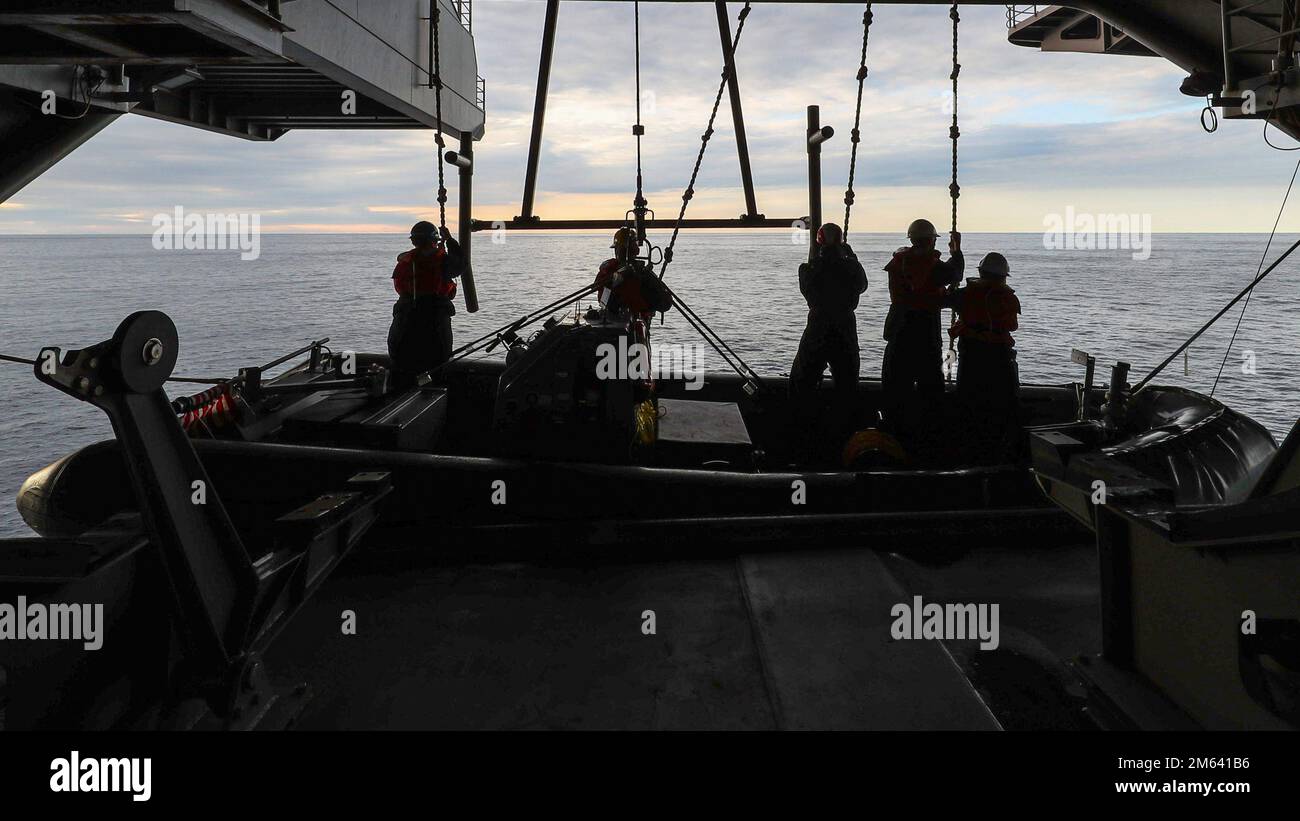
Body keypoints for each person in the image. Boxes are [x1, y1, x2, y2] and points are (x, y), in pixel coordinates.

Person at [881, 218, 963, 424]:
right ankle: (927, 434)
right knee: (930, 389)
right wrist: (956, 251)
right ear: (931, 241)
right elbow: (955, 273)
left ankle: (894, 430)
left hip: (898, 330)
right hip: (926, 334)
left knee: (896, 387)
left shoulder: (898, 263)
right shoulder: (933, 267)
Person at [791, 223, 868, 399]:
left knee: (802, 380)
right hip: (845, 326)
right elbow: (862, 285)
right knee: (847, 382)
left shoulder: (807, 269)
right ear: (842, 243)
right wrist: (851, 257)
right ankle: (844, 422)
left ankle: (801, 419)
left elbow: (807, 291)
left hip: (817, 325)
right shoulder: (851, 267)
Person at [387, 220, 464, 389]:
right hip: (434, 321)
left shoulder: (405, 260)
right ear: (434, 240)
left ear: (414, 241)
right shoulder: (443, 260)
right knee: (437, 366)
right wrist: (450, 239)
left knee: (403, 365)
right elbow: (461, 264)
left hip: (404, 319)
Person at [949, 251, 1021, 412]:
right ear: (1004, 276)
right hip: (1000, 354)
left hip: (972, 353)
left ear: (981, 272)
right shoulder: (1009, 298)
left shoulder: (965, 294)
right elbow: (1012, 325)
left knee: (968, 398)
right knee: (1003, 401)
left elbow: (945, 299)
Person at [592, 227, 672, 319]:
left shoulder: (642, 274)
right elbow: (597, 288)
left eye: (619, 249)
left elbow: (665, 303)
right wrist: (619, 276)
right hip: (614, 316)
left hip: (631, 320)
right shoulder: (609, 269)